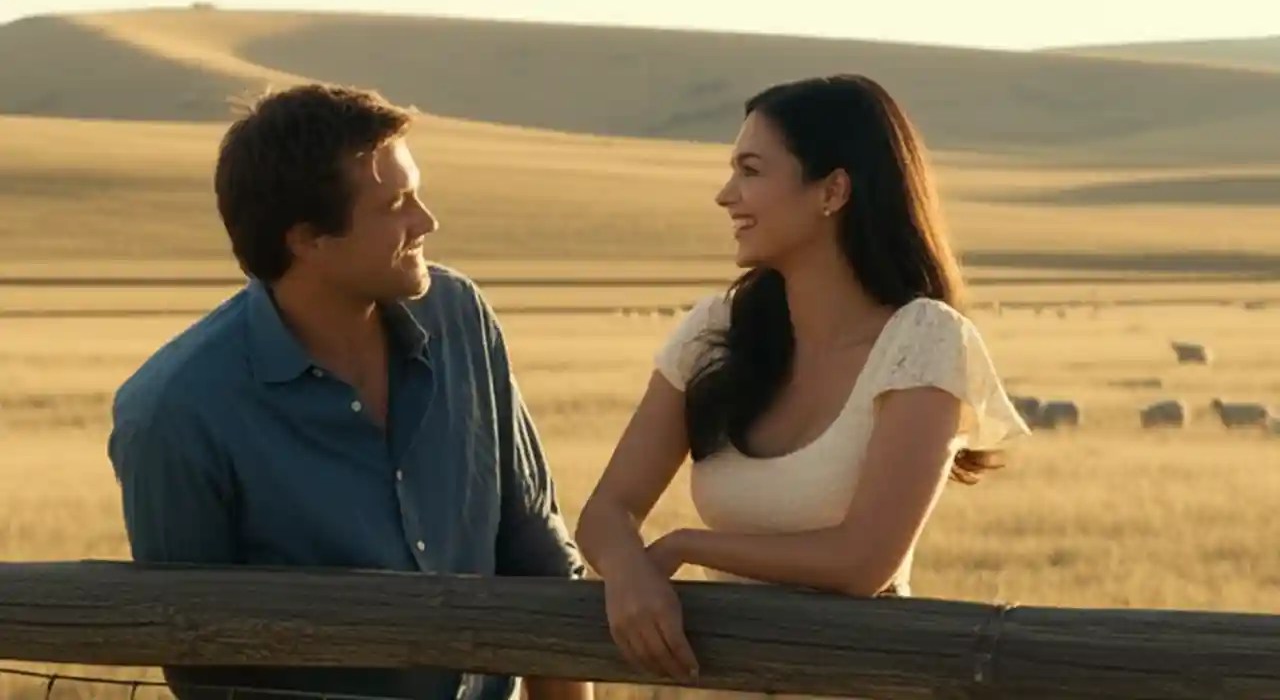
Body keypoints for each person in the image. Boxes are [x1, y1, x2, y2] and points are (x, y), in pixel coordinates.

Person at [107, 83, 591, 700]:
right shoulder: (175, 411)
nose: (426, 222)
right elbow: (202, 663)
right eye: (397, 205)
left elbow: (539, 559)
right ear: (307, 239)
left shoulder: (460, 317)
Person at [573, 74, 1032, 682]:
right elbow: (608, 509)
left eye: (751, 171)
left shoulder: (922, 341)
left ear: (833, 191)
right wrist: (629, 574)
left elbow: (863, 560)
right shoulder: (716, 332)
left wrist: (689, 545)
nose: (725, 195)